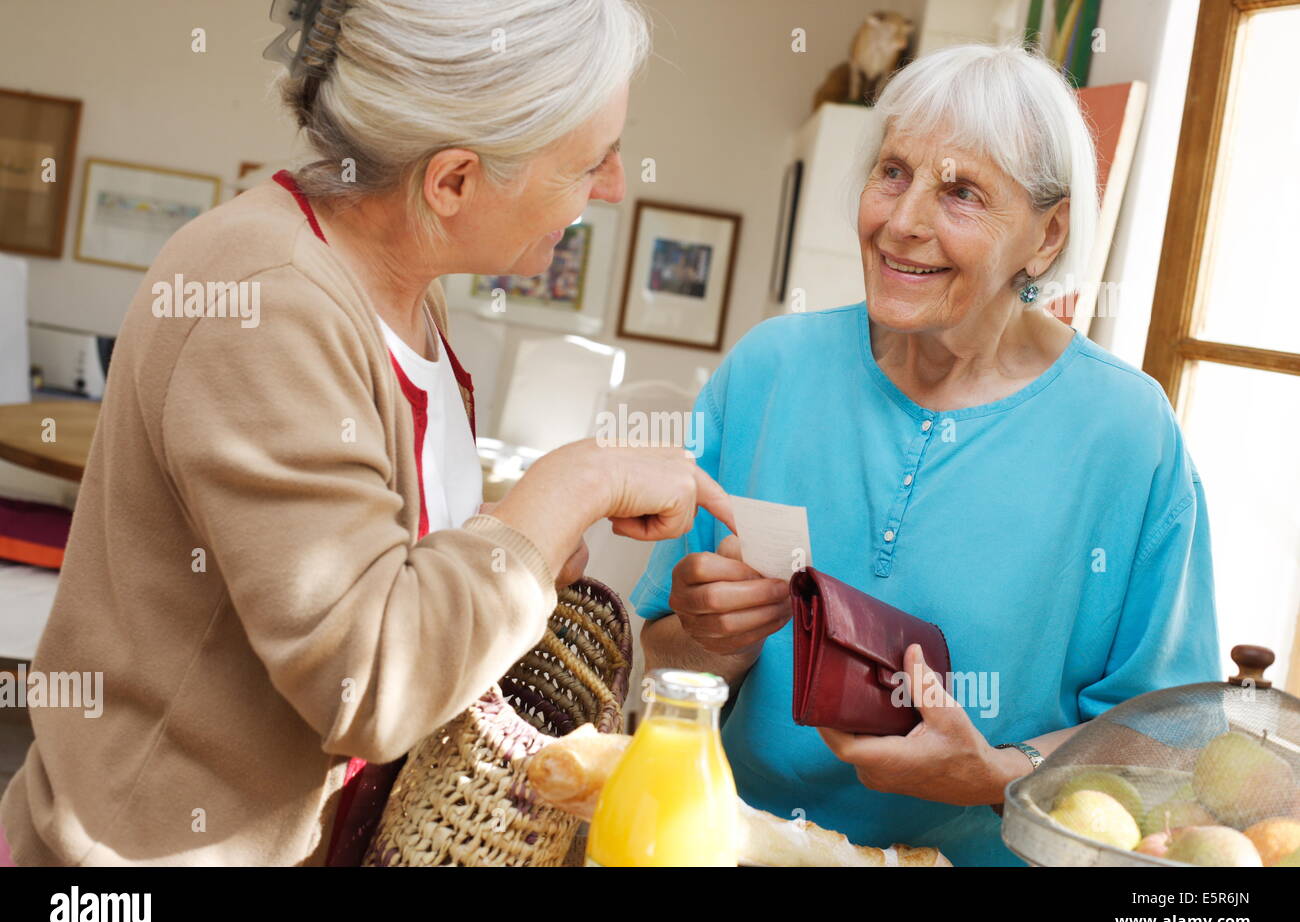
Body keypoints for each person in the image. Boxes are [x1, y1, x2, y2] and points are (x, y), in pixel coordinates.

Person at [0, 0, 736, 866]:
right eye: (590, 161)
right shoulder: (266, 299)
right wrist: (571, 488)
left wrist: (517, 547)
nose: (613, 185)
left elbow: (367, 558)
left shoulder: (405, 290)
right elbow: (370, 680)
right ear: (453, 181)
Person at [634, 42, 1220, 867]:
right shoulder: (769, 368)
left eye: (961, 192)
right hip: (732, 843)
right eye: (893, 172)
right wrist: (714, 640)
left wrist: (997, 775)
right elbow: (657, 662)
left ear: (1047, 235)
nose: (903, 222)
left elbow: (1169, 741)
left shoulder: (1128, 433)